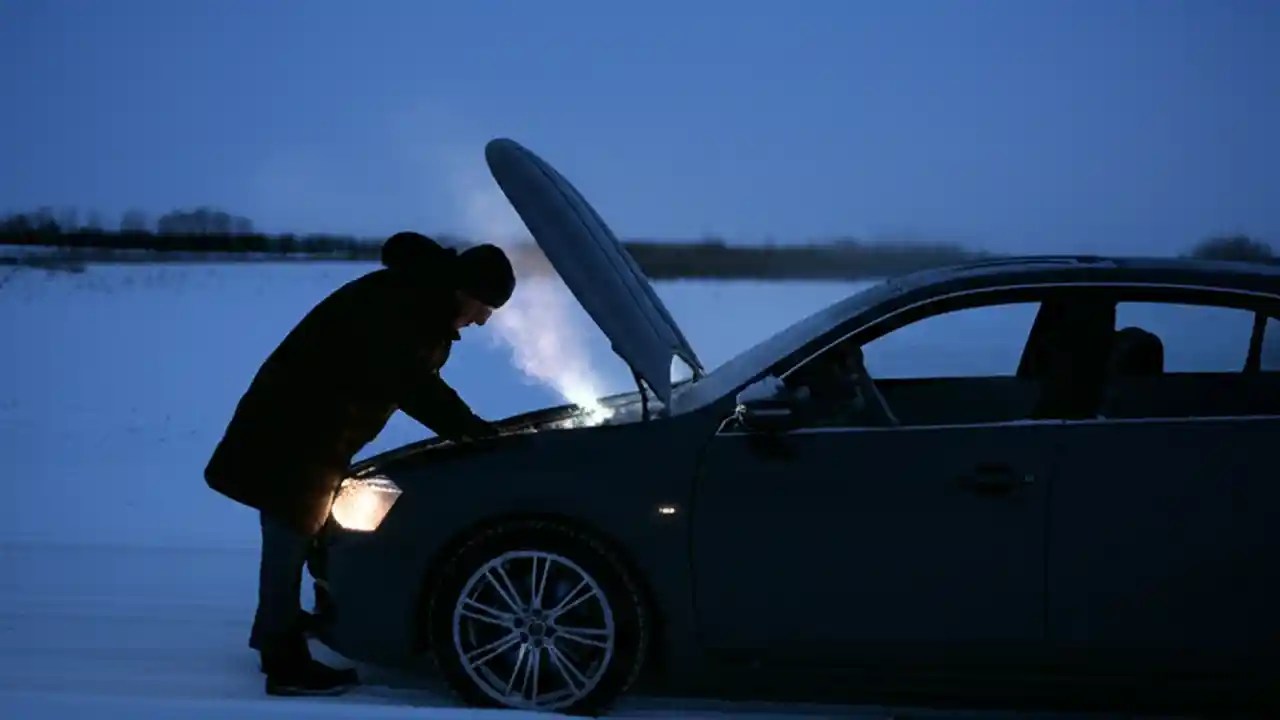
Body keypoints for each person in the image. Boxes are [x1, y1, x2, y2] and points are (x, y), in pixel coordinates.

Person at [203, 231, 516, 696]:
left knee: (304, 531)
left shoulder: (417, 299)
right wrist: (469, 429)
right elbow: (411, 383)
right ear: (463, 289)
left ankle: (278, 623)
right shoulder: (403, 306)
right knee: (290, 532)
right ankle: (282, 660)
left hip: (312, 429)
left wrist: (469, 426)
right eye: (484, 307)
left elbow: (412, 376)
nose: (483, 320)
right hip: (293, 428)